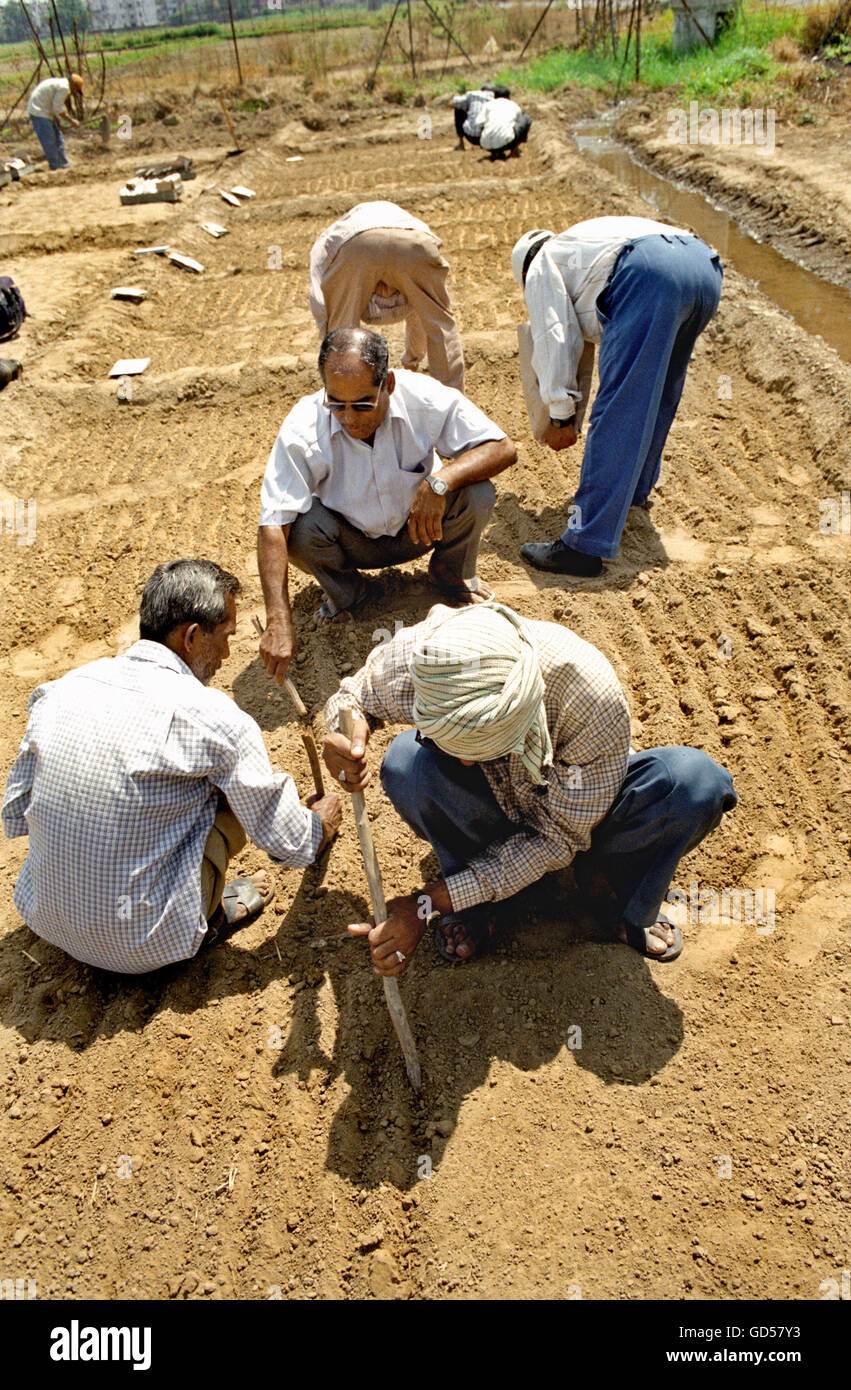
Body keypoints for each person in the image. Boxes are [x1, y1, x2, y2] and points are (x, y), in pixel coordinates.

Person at [322, 601, 737, 974]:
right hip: (495, 804)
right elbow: (354, 695)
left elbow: (555, 840)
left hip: (581, 808)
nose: (464, 762)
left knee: (694, 783)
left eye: (482, 746)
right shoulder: (432, 661)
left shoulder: (589, 698)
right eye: (447, 744)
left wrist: (424, 902)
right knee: (406, 766)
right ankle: (476, 902)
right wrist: (347, 734)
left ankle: (616, 898)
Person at [1, 560, 342, 974]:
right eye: (226, 637)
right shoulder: (215, 720)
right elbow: (287, 843)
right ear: (193, 637)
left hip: (46, 919)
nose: (228, 654)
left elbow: (16, 815)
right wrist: (317, 827)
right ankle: (205, 917)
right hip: (144, 947)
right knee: (227, 795)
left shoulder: (57, 692)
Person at [257, 327, 516, 682]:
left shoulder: (422, 397)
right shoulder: (303, 425)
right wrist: (278, 620)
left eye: (363, 404)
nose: (349, 417)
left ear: (388, 384)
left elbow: (502, 448)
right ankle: (350, 594)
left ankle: (450, 572)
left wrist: (439, 482)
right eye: (337, 403)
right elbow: (272, 524)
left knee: (477, 493)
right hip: (351, 542)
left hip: (419, 529)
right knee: (298, 530)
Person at [511, 217, 723, 577]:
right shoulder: (581, 243)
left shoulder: (542, 263)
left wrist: (561, 415)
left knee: (617, 409)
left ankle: (584, 544)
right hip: (702, 267)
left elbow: (554, 335)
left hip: (648, 274)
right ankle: (634, 491)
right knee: (658, 391)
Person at [309, 200, 464, 391]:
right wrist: (411, 363)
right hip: (414, 242)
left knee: (342, 332)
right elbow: (421, 321)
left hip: (357, 245)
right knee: (439, 323)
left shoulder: (332, 234)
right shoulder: (405, 220)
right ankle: (452, 398)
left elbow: (318, 287)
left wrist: (327, 332)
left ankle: (343, 396)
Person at [27, 73, 83, 172]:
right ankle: (56, 168)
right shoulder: (64, 88)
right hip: (39, 112)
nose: (74, 93)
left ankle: (64, 165)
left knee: (59, 139)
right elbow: (57, 108)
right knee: (50, 142)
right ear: (73, 85)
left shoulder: (60, 83)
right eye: (76, 90)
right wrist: (71, 121)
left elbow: (54, 107)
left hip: (45, 111)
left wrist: (59, 123)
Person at [479, 94, 532, 161]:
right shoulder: (513, 105)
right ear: (508, 97)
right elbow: (518, 122)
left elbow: (478, 123)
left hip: (486, 145)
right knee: (527, 118)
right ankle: (514, 152)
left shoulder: (487, 105)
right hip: (508, 142)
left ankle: (495, 153)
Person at [452, 82, 497, 149]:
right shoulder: (496, 98)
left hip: (470, 136)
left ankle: (461, 144)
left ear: (481, 90)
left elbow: (455, 102)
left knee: (459, 108)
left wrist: (468, 107)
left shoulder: (472, 94)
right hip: (488, 137)